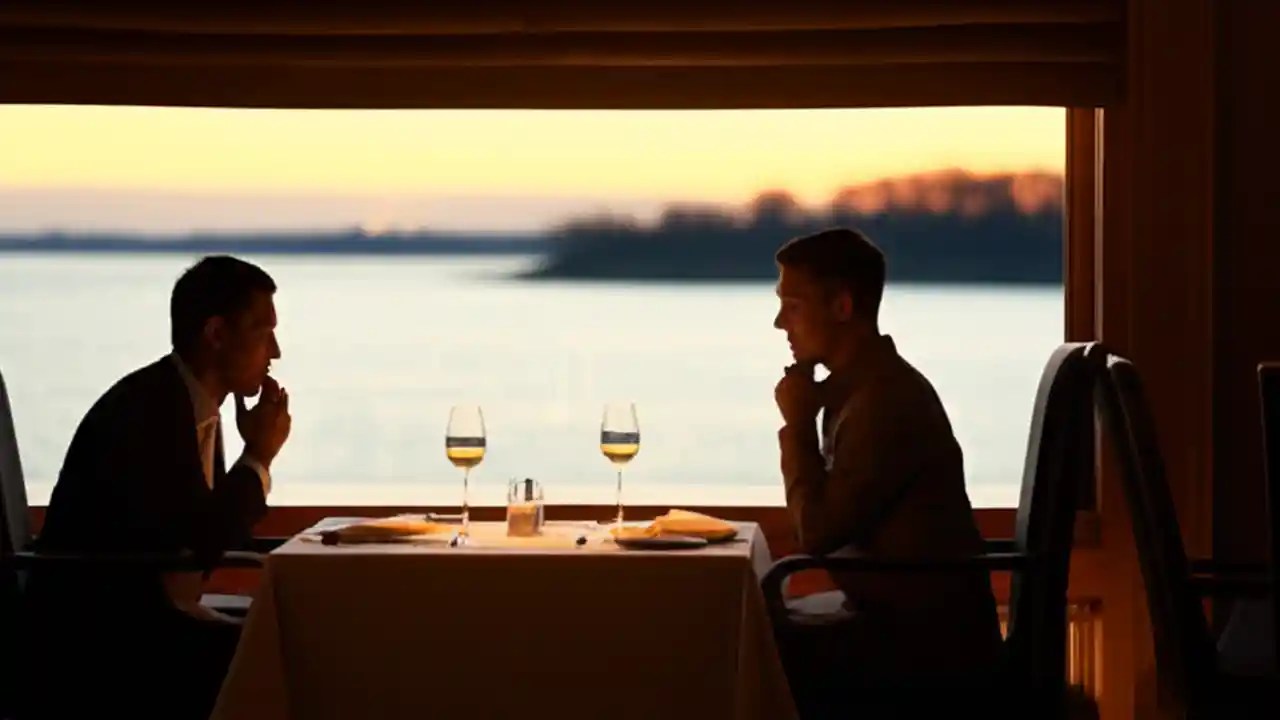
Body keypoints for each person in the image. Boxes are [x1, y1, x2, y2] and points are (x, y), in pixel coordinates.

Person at [21, 255, 291, 719]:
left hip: (140, 614)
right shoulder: (148, 412)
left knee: (289, 637)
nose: (276, 351)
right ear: (217, 334)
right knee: (289, 656)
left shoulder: (192, 406)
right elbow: (200, 544)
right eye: (263, 331)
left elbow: (199, 531)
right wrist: (259, 456)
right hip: (102, 641)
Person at [770, 228, 1003, 701]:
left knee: (745, 647)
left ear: (842, 307)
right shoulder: (862, 389)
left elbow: (815, 534)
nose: (779, 323)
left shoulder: (886, 402)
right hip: (903, 621)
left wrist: (797, 426)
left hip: (924, 648)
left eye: (793, 306)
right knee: (756, 623)